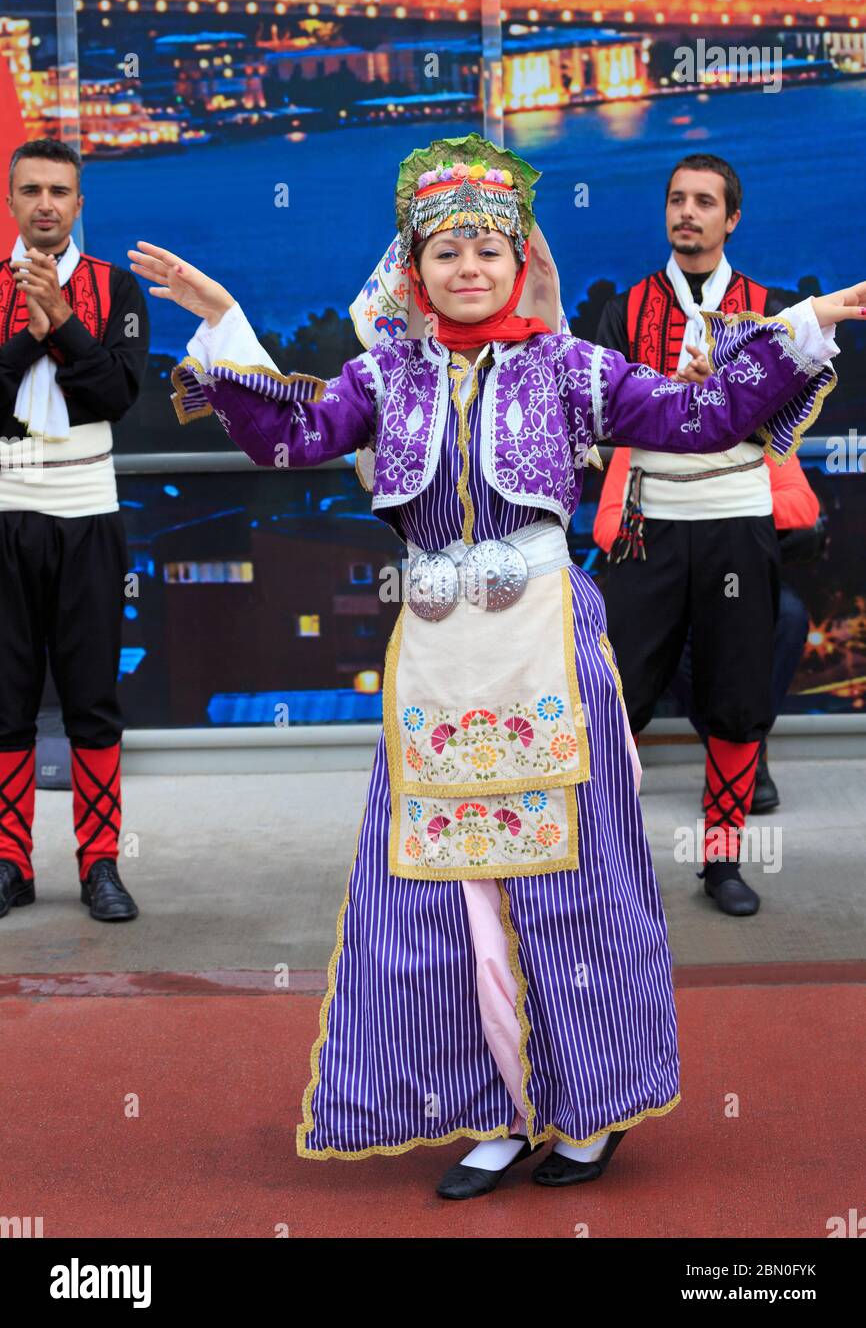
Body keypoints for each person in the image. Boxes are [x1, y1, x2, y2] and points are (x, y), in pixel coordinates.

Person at [129, 134, 857, 1197]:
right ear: (412, 270)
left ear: (520, 262)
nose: (466, 267)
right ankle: (486, 1105)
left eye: (487, 248)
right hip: (434, 659)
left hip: (546, 651)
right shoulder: (383, 377)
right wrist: (221, 321)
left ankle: (590, 1103)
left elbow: (700, 418)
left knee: (569, 884)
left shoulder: (572, 369)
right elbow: (289, 437)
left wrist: (799, 331)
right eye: (444, 251)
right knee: (440, 890)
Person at [592, 152, 838, 917]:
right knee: (611, 701)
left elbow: (785, 419)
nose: (686, 213)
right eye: (676, 200)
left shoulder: (772, 310)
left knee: (735, 700)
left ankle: (722, 864)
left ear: (732, 218)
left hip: (737, 522)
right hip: (646, 526)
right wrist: (673, 396)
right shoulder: (625, 310)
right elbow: (601, 416)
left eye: (704, 201)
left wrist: (730, 386)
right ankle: (604, 868)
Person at [0, 139, 149, 923]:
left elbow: (118, 393)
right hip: (4, 507)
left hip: (88, 507)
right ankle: (9, 862)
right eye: (32, 190)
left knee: (92, 698)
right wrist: (37, 332)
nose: (47, 204)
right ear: (12, 200)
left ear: (79, 203)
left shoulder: (115, 286)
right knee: (5, 701)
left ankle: (100, 865)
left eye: (60, 191)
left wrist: (63, 323)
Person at [593, 447, 823, 813]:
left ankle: (747, 749)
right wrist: (681, 521)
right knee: (658, 634)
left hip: (732, 571)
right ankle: (610, 809)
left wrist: (725, 508)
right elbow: (606, 524)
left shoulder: (756, 425)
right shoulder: (645, 427)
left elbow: (803, 506)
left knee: (786, 618)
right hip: (663, 574)